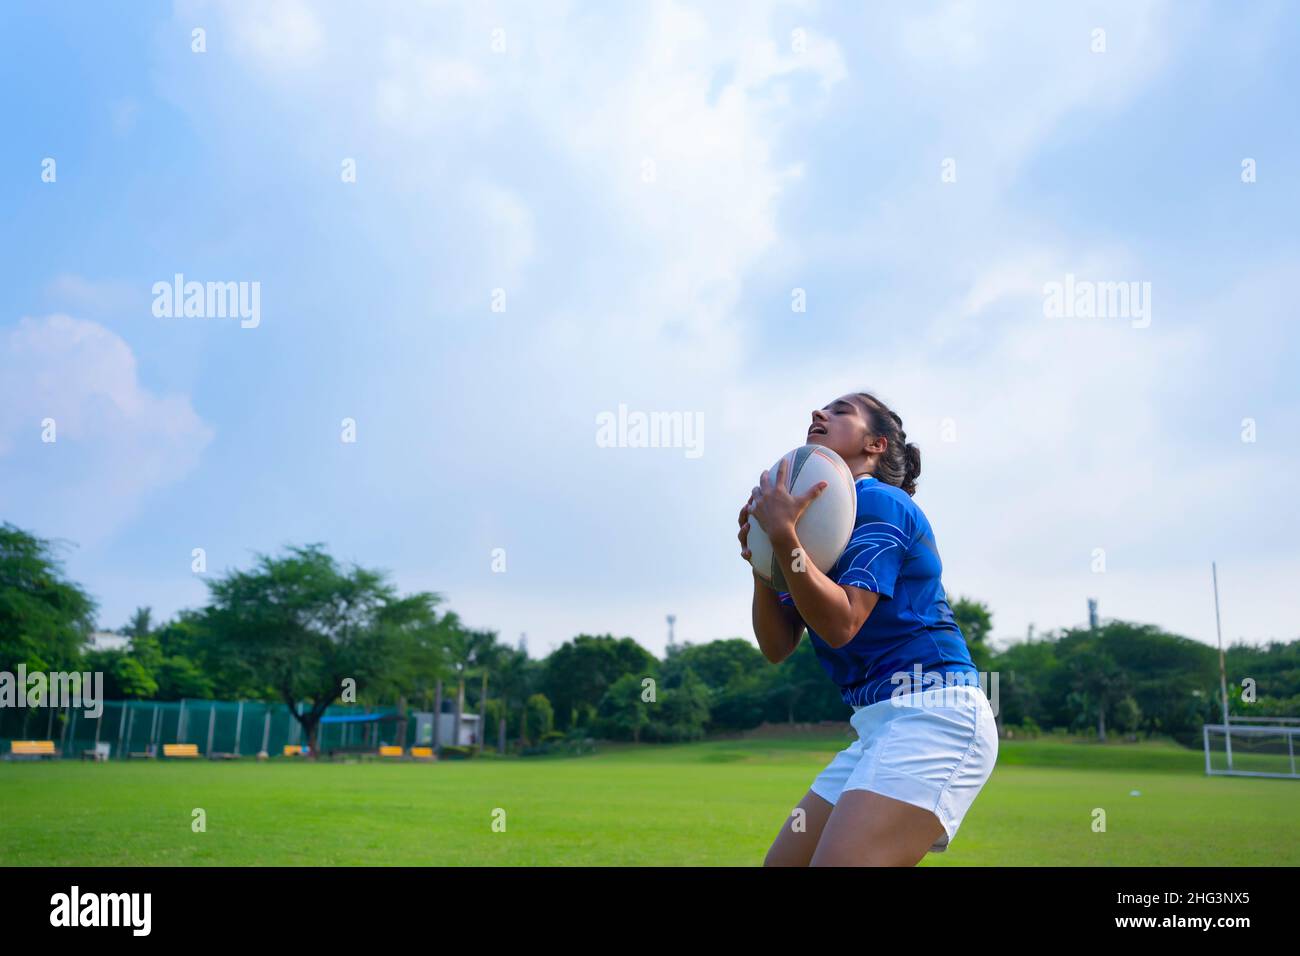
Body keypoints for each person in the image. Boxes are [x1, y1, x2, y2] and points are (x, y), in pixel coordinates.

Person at [740, 392, 997, 866]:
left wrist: (782, 537)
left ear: (876, 444)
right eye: (821, 409)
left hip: (934, 716)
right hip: (877, 726)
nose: (819, 413)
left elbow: (843, 623)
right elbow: (777, 647)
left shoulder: (880, 501)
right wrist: (764, 564)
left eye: (840, 411)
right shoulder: (812, 525)